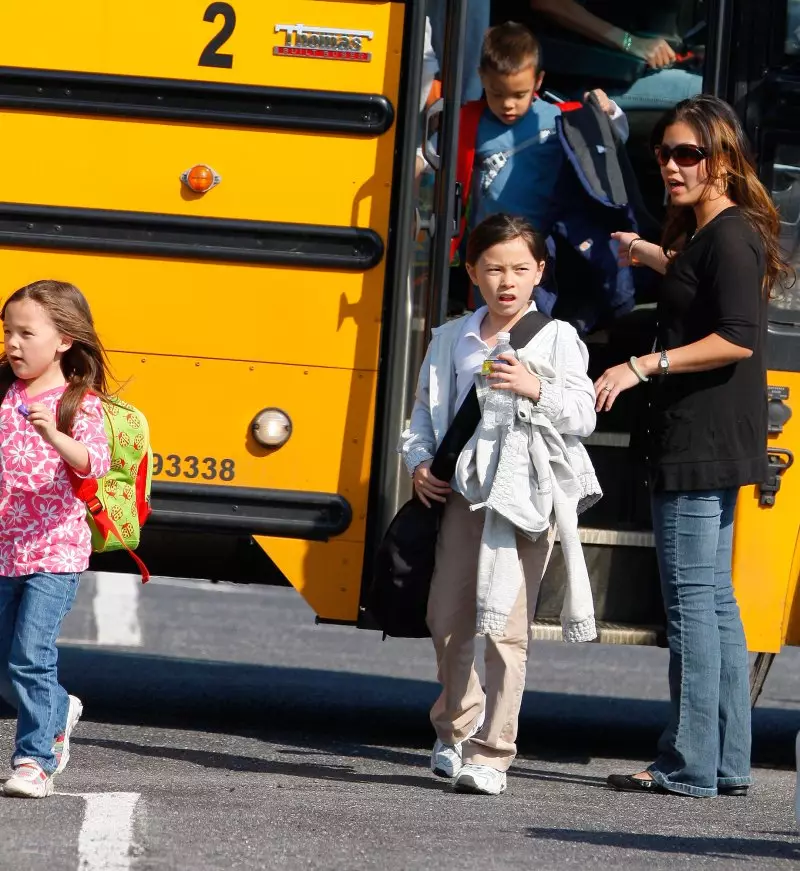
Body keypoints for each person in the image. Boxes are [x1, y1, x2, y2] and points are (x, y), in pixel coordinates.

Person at [595, 95, 791, 797]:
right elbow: (697, 283)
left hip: (697, 440)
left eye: (688, 154)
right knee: (715, 602)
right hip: (710, 436)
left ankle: (687, 762)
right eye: (664, 153)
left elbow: (734, 333)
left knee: (692, 606)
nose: (671, 166)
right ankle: (727, 760)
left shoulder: (730, 235)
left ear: (723, 161)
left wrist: (642, 365)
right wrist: (654, 256)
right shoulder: (715, 233)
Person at [400, 213, 601, 796]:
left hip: (525, 499)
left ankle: (493, 752)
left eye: (520, 269)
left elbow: (583, 415)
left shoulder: (558, 337)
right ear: (473, 273)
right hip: (463, 494)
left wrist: (535, 388)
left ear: (539, 272)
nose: (507, 281)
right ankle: (454, 727)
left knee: (506, 629)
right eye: (493, 269)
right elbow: (423, 415)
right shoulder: (450, 338)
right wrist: (418, 464)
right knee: (446, 618)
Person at [451, 22, 640, 331]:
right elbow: (429, 157)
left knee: (531, 326)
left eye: (519, 94)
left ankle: (525, 376)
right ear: (482, 78)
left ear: (538, 81)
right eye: (496, 93)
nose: (508, 104)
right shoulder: (470, 122)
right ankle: (487, 376)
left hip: (538, 246)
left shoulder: (559, 118)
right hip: (489, 246)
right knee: (487, 326)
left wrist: (608, 110)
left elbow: (614, 138)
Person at [0, 280, 112, 799]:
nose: (14, 343)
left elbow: (96, 463)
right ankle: (58, 707)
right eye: (8, 332)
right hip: (5, 549)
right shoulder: (5, 392)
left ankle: (34, 761)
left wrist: (54, 435)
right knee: (6, 664)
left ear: (65, 339)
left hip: (54, 551)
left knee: (30, 653)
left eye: (26, 332)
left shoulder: (78, 403)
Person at [528, 0, 702, 110]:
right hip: (592, 73)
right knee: (711, 92)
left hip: (652, 61)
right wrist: (629, 42)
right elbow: (548, 3)